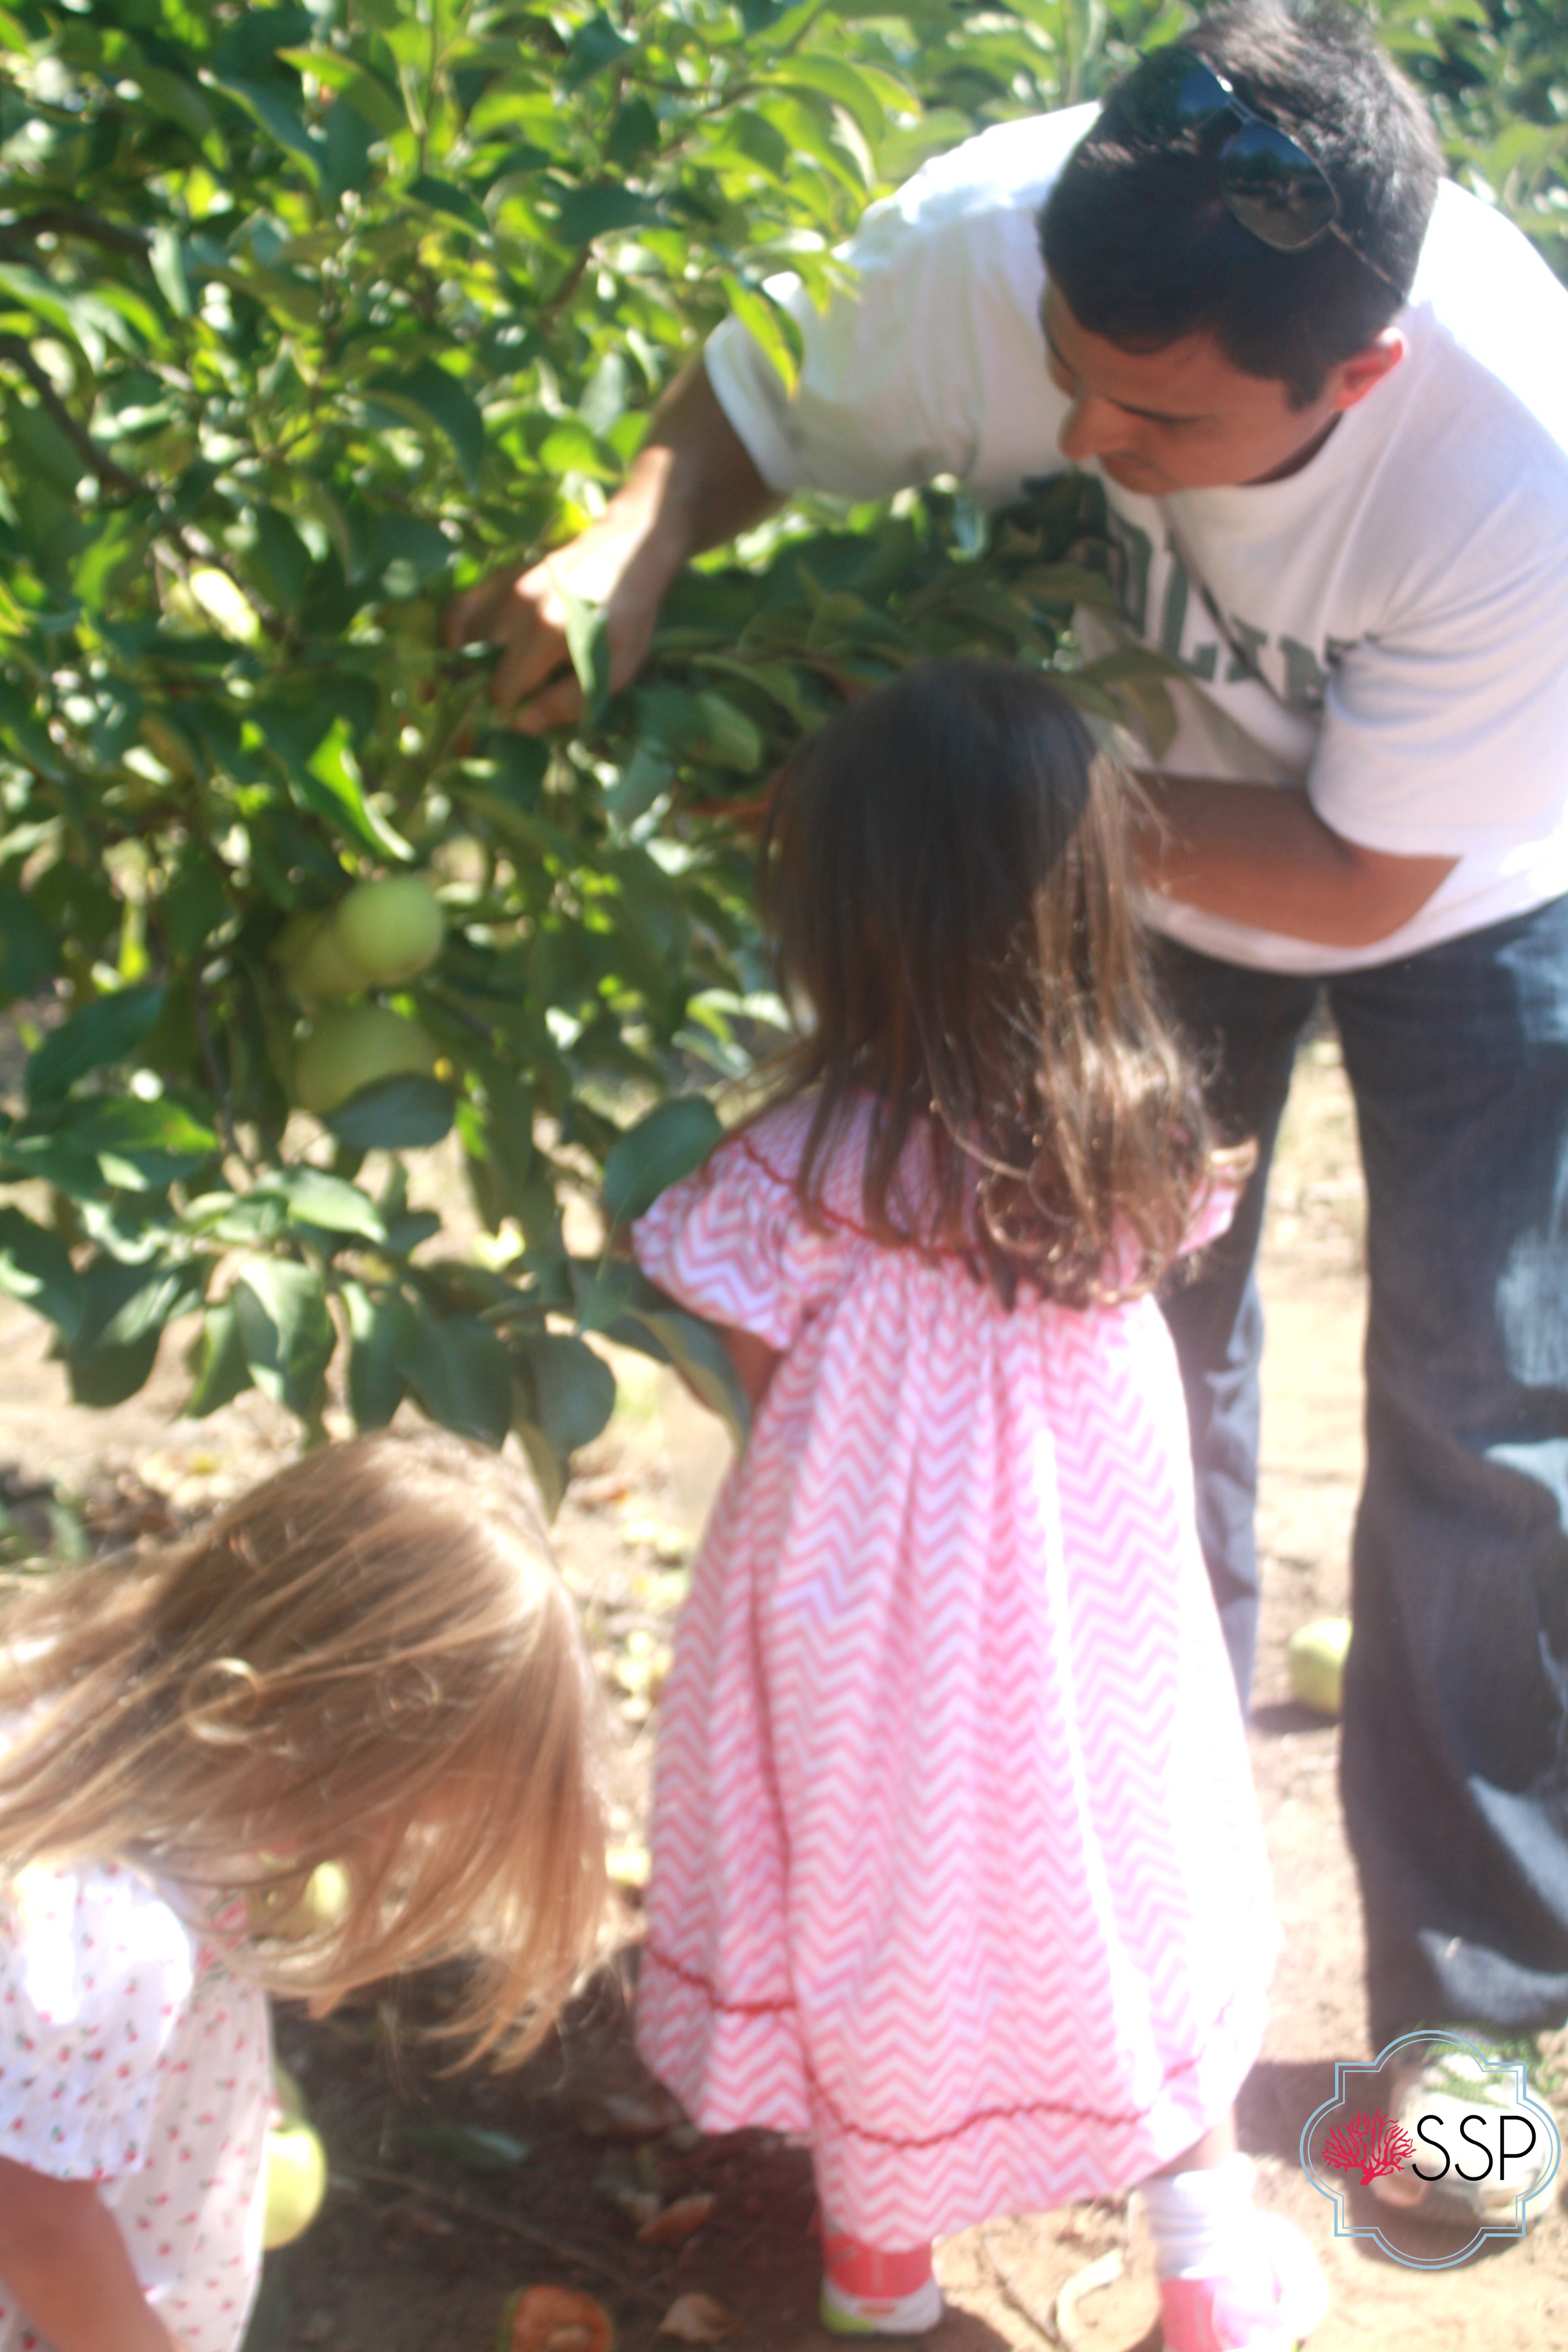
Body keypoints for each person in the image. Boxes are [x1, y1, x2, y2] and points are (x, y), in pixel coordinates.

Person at [448, 0, 1568, 2101]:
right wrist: (635, 534)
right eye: (1062, 372)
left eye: (1149, 417)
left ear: (1355, 376)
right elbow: (749, 405)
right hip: (1117, 875)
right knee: (1133, 1380)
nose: (1085, 441)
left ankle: (1467, 2026)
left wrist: (939, 792)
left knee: (1484, 1416)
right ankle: (1125, 1964)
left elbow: (1350, 871)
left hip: (1464, 871)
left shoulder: (1513, 463)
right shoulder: (990, 251)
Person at [627, 658, 1326, 2346]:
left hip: (867, 1647)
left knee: (883, 1904)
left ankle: (882, 2285)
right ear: (1088, 906)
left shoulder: (798, 1171)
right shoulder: (1144, 1148)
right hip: (1098, 1635)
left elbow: (749, 1368)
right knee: (1136, 1880)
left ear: (843, 920)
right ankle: (1207, 2279)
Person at [0, 1432, 605, 2352]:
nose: (372, 1850)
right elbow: (39, 2228)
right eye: (385, 1820)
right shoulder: (119, 1939)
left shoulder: (99, 1703)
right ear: (320, 1745)